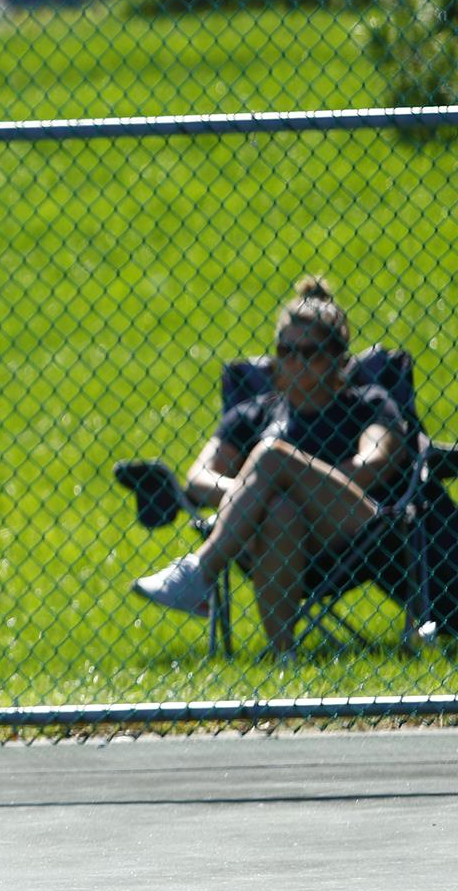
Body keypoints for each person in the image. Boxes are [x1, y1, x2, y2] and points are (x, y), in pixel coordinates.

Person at [130, 276, 434, 654]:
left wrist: (284, 476)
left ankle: (200, 571)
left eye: (311, 352)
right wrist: (259, 492)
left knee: (273, 455)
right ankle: (283, 658)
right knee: (281, 509)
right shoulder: (252, 414)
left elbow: (376, 462)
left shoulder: (368, 403)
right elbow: (198, 477)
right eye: (286, 350)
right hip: (272, 529)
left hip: (356, 527)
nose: (296, 361)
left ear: (339, 359)